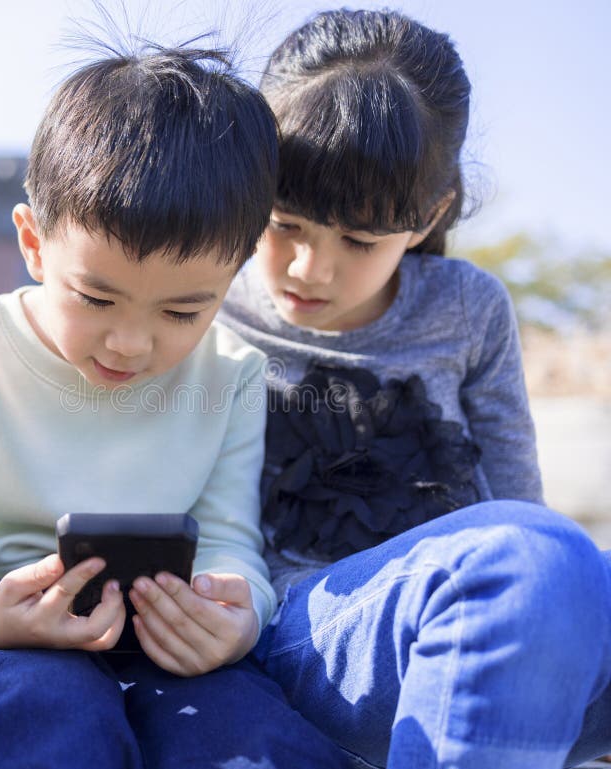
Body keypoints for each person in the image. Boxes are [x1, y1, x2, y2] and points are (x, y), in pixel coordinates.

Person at [0, 41, 350, 769]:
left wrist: (238, 616)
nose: (130, 343)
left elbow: (227, 538)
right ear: (33, 242)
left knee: (262, 743)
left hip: (166, 644)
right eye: (96, 298)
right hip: (6, 636)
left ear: (234, 275)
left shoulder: (234, 373)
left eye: (184, 311)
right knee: (49, 729)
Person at [217, 9, 611, 768]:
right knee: (530, 563)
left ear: (429, 214)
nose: (309, 267)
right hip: (305, 633)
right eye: (285, 223)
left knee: (545, 562)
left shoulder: (467, 307)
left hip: (489, 616)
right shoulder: (206, 303)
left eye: (359, 241)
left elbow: (519, 509)